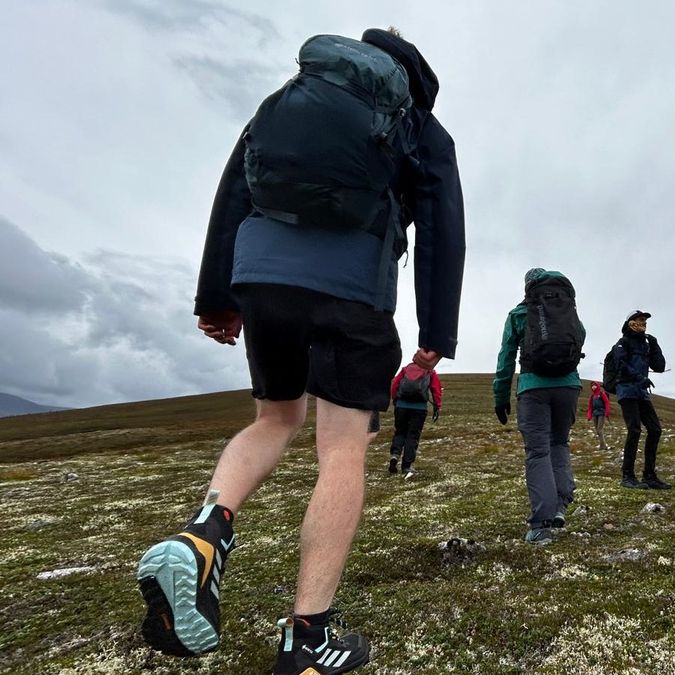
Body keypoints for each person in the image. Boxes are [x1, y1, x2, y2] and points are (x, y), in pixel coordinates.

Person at [136, 27, 465, 675]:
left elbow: (237, 185)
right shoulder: (420, 125)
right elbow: (442, 228)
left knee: (274, 418)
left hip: (263, 277)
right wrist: (436, 333)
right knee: (341, 447)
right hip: (352, 289)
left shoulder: (291, 94)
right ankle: (309, 635)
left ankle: (202, 535)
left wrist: (218, 295)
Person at [493, 268, 585, 545]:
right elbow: (580, 334)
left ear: (526, 288)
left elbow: (506, 357)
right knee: (560, 443)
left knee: (538, 452)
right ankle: (560, 505)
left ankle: (541, 525)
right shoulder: (566, 308)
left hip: (533, 388)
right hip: (568, 386)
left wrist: (501, 397)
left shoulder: (518, 315)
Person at [610, 311, 670, 490]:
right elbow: (620, 364)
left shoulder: (646, 345)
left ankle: (649, 475)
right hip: (627, 390)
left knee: (655, 429)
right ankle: (627, 475)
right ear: (630, 322)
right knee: (634, 429)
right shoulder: (622, 343)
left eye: (644, 320)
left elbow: (659, 367)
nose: (643, 322)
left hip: (641, 392)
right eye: (639, 319)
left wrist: (655, 344)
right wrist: (638, 378)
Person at [388, 362, 443, 478]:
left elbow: (395, 385)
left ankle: (395, 455)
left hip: (401, 406)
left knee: (400, 432)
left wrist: (395, 399)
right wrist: (437, 405)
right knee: (412, 436)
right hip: (419, 408)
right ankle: (406, 465)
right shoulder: (430, 371)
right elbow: (436, 388)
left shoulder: (406, 369)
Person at [585, 381, 612, 450]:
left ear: (597, 386)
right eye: (592, 386)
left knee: (599, 429)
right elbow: (590, 407)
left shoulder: (601, 393)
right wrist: (589, 415)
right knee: (597, 430)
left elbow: (606, 402)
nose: (593, 387)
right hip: (595, 414)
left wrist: (607, 412)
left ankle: (603, 446)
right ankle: (602, 445)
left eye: (594, 385)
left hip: (601, 413)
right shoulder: (592, 396)